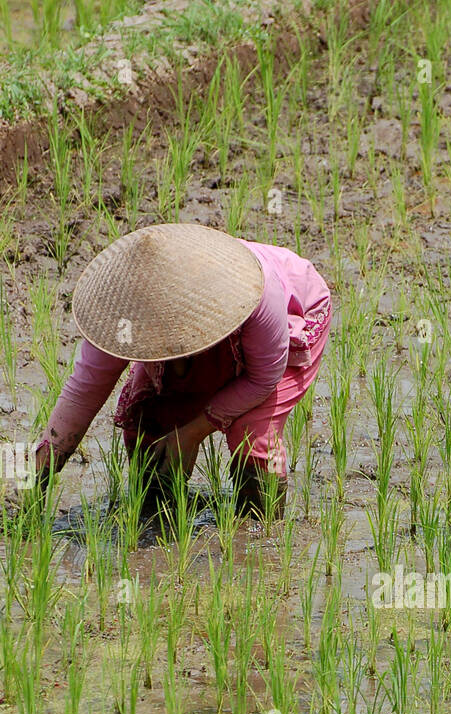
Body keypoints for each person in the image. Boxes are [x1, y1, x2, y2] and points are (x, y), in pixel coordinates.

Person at [34, 222, 332, 517]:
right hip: (214, 337)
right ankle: (156, 511)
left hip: (293, 316)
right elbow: (83, 392)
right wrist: (38, 472)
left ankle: (262, 528)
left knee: (252, 435)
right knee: (147, 411)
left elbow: (264, 378)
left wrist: (191, 434)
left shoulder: (257, 294)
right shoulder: (120, 314)